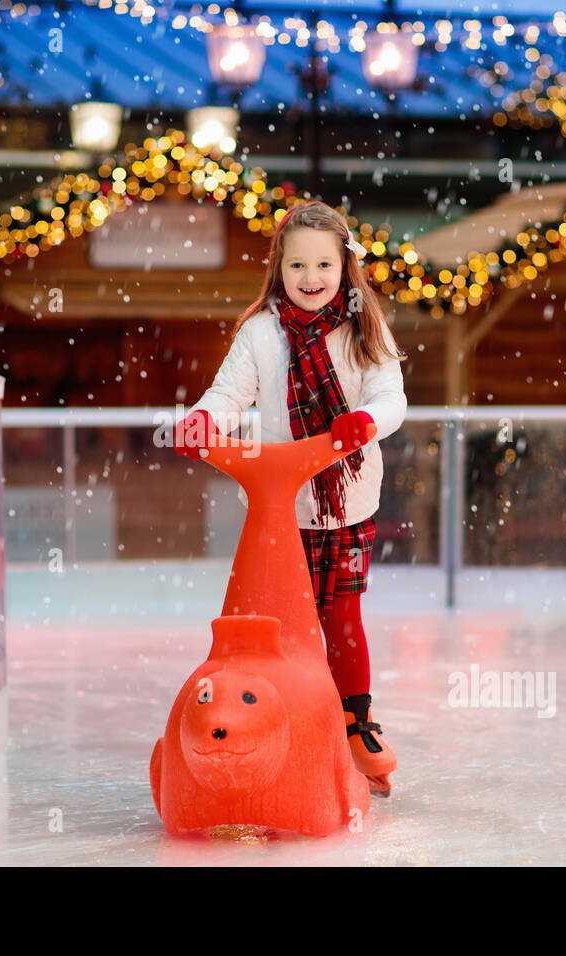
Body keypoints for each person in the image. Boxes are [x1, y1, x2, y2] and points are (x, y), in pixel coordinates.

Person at [174, 200, 408, 795]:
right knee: (275, 625)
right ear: (279, 267)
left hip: (349, 501)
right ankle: (284, 719)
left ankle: (355, 719)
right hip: (281, 509)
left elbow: (391, 396)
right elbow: (229, 393)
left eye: (323, 265)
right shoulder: (260, 333)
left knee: (341, 615)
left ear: (344, 267)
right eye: (298, 265)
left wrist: (365, 421)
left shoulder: (363, 326)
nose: (311, 279)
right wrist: (204, 420)